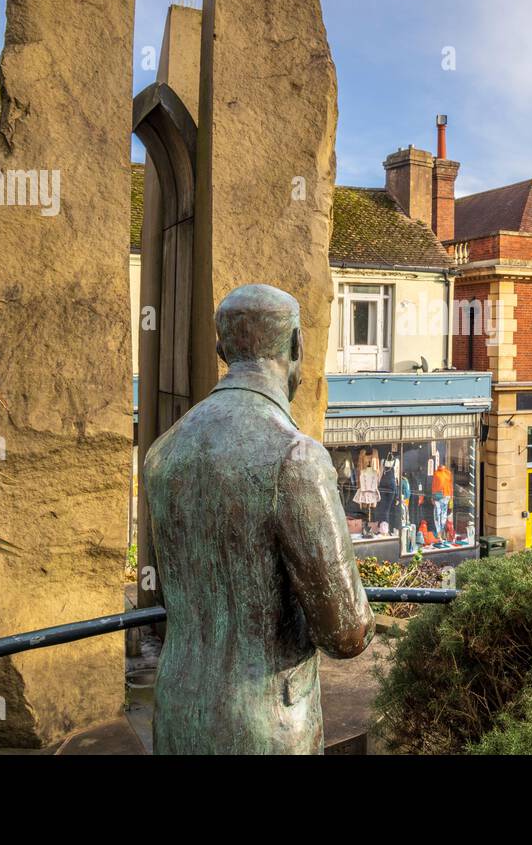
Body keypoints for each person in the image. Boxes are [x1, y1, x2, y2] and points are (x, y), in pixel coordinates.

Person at [144, 284, 374, 754]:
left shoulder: (162, 452)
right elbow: (347, 633)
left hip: (177, 709)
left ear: (221, 349)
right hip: (266, 728)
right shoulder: (296, 458)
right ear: (295, 347)